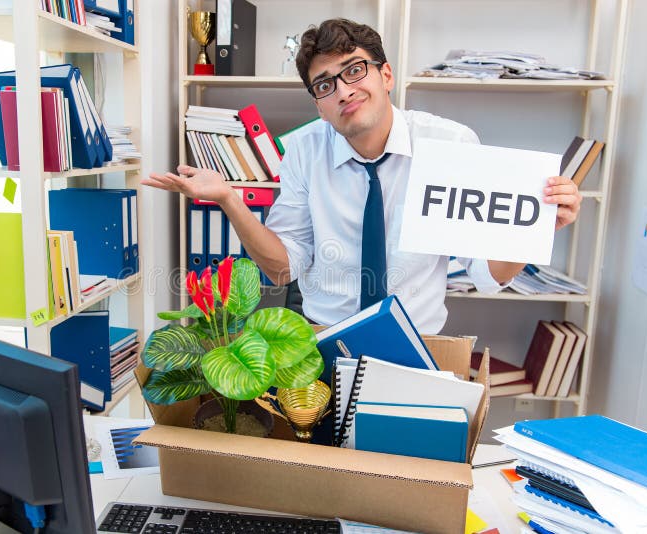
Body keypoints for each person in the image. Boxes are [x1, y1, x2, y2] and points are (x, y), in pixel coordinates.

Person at [143, 18, 581, 332]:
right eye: (325, 84)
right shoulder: (303, 152)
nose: (344, 91)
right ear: (318, 105)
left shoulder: (451, 144)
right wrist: (229, 199)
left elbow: (486, 274)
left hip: (418, 340)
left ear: (385, 75)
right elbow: (282, 269)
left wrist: (535, 227)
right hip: (324, 338)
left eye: (354, 70)